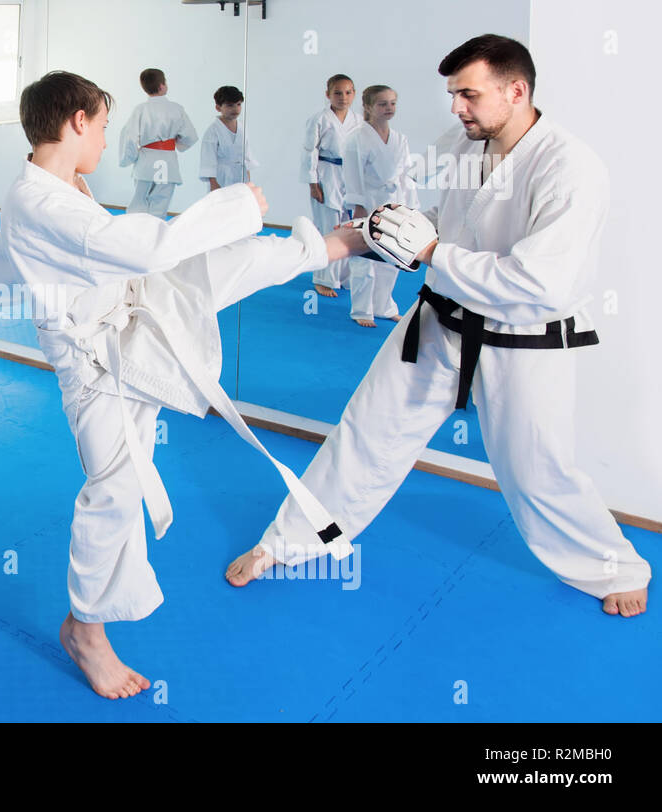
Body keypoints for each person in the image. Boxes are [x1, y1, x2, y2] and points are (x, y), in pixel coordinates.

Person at [227, 35, 651, 618]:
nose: (456, 107)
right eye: (454, 94)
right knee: (364, 433)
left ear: (516, 90)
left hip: (521, 342)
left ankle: (616, 567)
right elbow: (450, 225)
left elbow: (540, 283)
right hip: (438, 320)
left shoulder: (570, 167)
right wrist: (387, 230)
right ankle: (293, 541)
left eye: (469, 94)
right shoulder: (462, 143)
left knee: (537, 470)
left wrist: (430, 251)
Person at [0, 71, 367, 699]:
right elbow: (142, 248)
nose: (108, 140)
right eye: (104, 126)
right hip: (94, 363)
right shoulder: (38, 199)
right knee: (112, 490)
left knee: (210, 273)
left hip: (123, 327)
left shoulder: (61, 186)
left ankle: (329, 246)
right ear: (78, 122)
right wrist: (239, 205)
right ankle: (85, 628)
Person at [342, 85, 419, 327]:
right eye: (382, 104)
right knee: (364, 258)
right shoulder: (356, 138)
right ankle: (362, 309)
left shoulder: (400, 138)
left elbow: (406, 174)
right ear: (367, 107)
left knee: (391, 257)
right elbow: (352, 176)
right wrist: (359, 206)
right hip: (368, 201)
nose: (389, 108)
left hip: (395, 203)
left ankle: (384, 306)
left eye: (393, 103)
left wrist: (411, 205)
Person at [302, 74, 361, 297]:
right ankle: (323, 278)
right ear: (328, 95)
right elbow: (309, 151)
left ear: (354, 94)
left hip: (351, 175)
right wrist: (313, 183)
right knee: (327, 225)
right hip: (326, 174)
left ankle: (344, 277)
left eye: (348, 92)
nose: (343, 97)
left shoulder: (359, 120)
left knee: (349, 226)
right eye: (337, 92)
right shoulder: (319, 119)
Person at [118, 68, 199, 217]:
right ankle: (156, 236)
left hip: (146, 161)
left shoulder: (141, 109)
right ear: (162, 86)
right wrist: (176, 143)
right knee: (160, 204)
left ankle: (134, 235)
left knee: (138, 202)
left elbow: (129, 137)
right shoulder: (177, 109)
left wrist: (131, 157)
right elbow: (190, 136)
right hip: (168, 161)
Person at [198, 85, 257, 191]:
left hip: (240, 176)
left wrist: (248, 181)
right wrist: (213, 183)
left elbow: (246, 156)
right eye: (230, 105)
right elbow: (208, 159)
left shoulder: (242, 127)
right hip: (221, 177)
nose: (235, 109)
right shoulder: (213, 130)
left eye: (238, 104)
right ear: (218, 107)